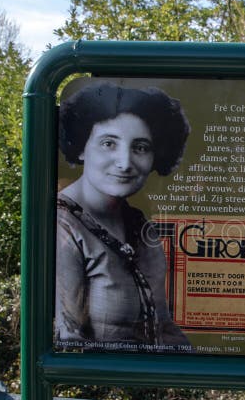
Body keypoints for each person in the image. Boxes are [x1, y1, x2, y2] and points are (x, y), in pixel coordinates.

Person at [54, 81, 192, 351]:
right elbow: (68, 343)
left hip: (152, 384)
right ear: (81, 146)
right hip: (100, 388)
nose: (125, 162)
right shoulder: (62, 227)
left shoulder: (139, 224)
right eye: (108, 143)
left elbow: (162, 324)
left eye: (140, 147)